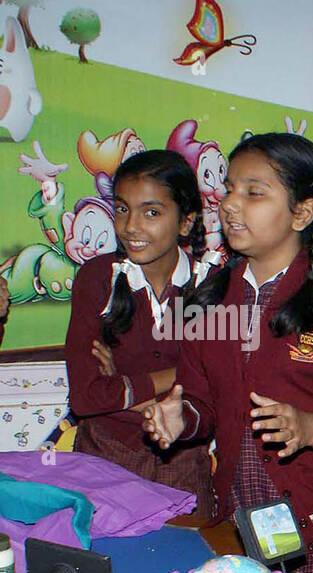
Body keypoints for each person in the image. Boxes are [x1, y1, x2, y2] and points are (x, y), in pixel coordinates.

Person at [141, 133, 313, 573]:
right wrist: (180, 417)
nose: (231, 205)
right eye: (229, 190)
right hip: (243, 532)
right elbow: (202, 403)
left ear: (302, 212)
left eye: (254, 192)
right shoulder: (209, 299)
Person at [65, 150, 216, 517]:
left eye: (151, 212)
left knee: (186, 571)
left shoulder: (213, 287)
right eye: (121, 209)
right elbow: (85, 399)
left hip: (183, 468)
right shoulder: (98, 278)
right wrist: (181, 377)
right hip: (103, 462)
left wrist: (120, 383)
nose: (131, 226)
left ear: (186, 221)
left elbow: (224, 392)